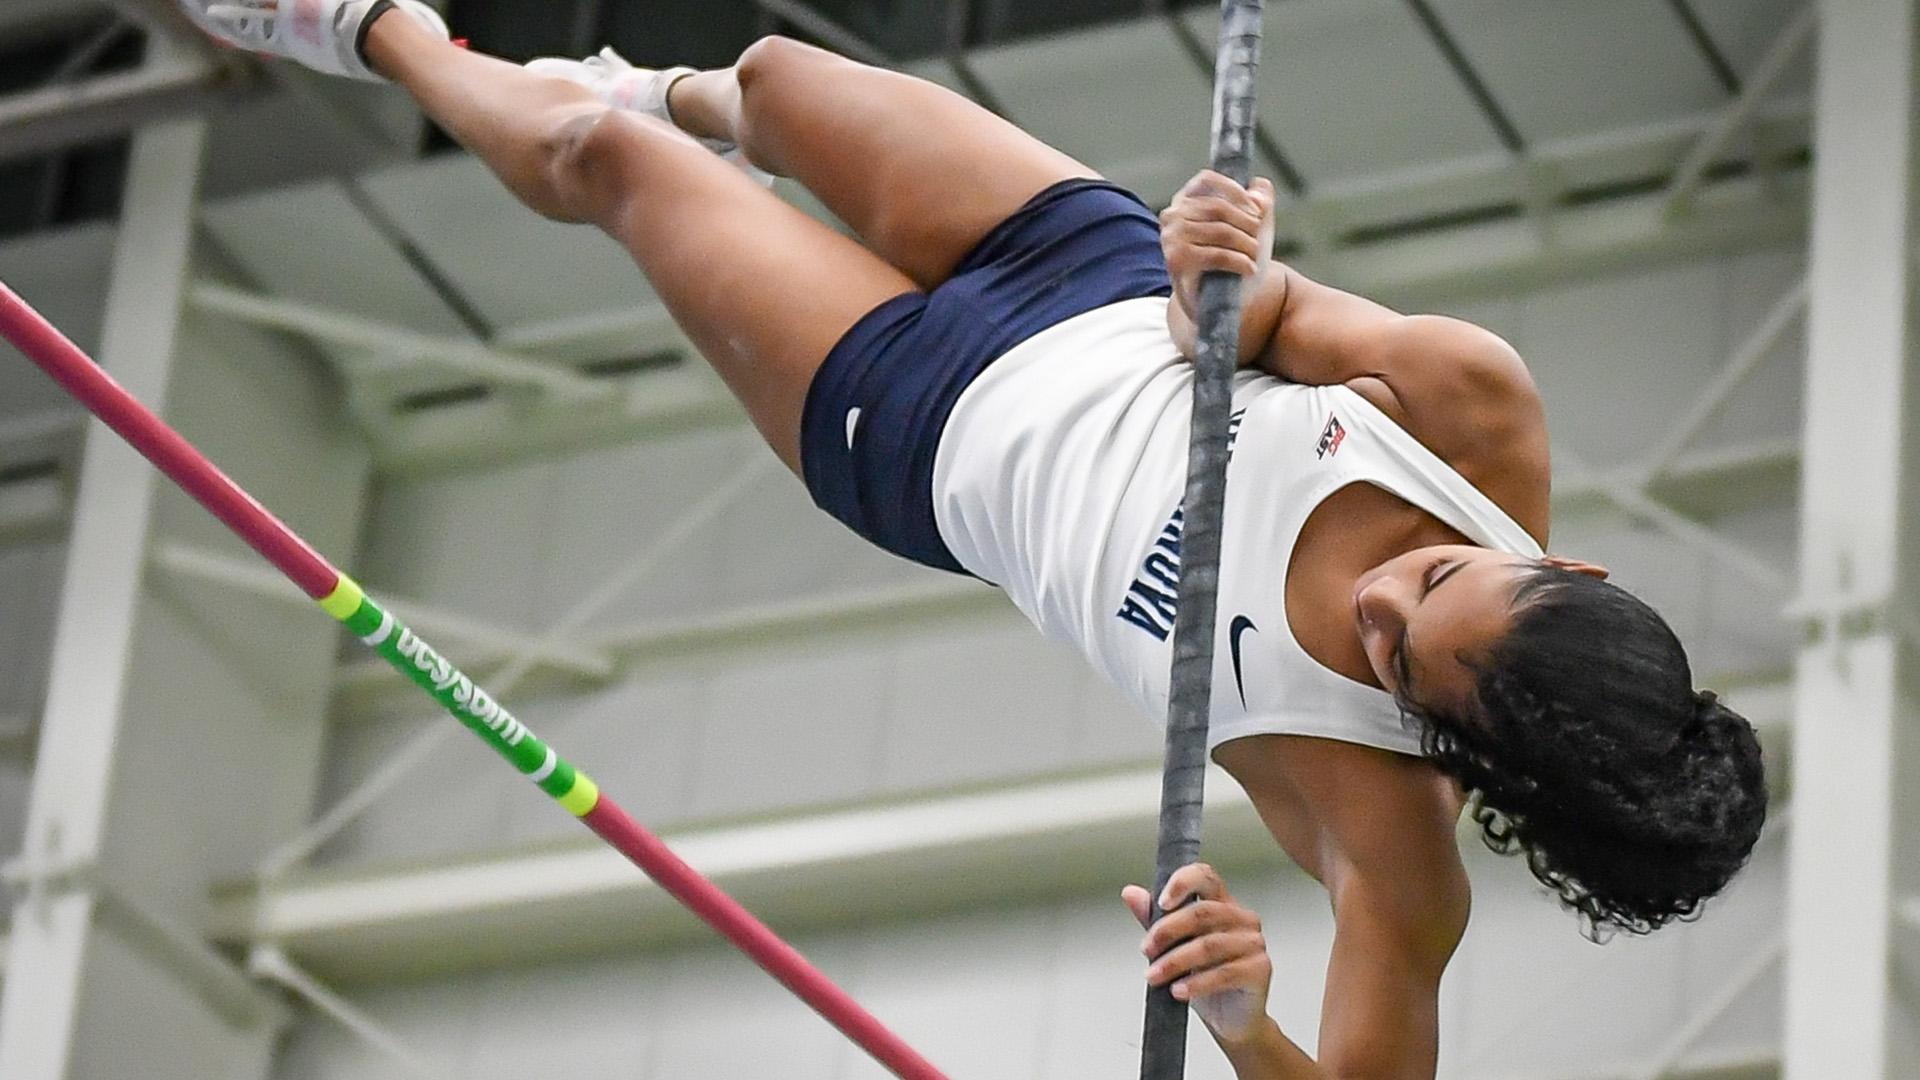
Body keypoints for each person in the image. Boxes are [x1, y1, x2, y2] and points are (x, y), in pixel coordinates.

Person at [183, 3, 1769, 1076]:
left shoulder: (1389, 848)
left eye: (1388, 658)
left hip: (922, 431)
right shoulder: (1473, 411)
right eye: (1427, 577)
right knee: (777, 79)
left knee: (607, 172)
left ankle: (367, 25)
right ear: (1570, 563)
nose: (1370, 599)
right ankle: (643, 88)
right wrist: (1232, 270)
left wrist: (1242, 1022)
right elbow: (1275, 315)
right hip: (1072, 273)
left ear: (1456, 750)